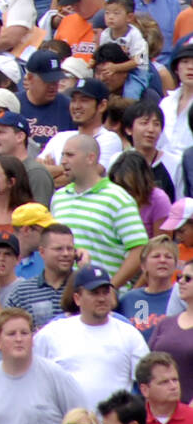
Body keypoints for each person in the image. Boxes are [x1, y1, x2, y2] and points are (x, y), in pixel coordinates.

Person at [34, 262, 150, 408]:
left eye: (105, 292)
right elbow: (32, 380)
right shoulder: (52, 333)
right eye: (94, 293)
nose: (101, 298)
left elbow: (148, 381)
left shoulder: (129, 333)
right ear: (77, 298)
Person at [51, 134, 148, 284]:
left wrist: (111, 288)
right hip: (66, 298)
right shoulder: (59, 197)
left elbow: (139, 249)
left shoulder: (117, 198)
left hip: (103, 298)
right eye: (63, 155)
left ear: (90, 158)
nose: (63, 161)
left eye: (70, 155)